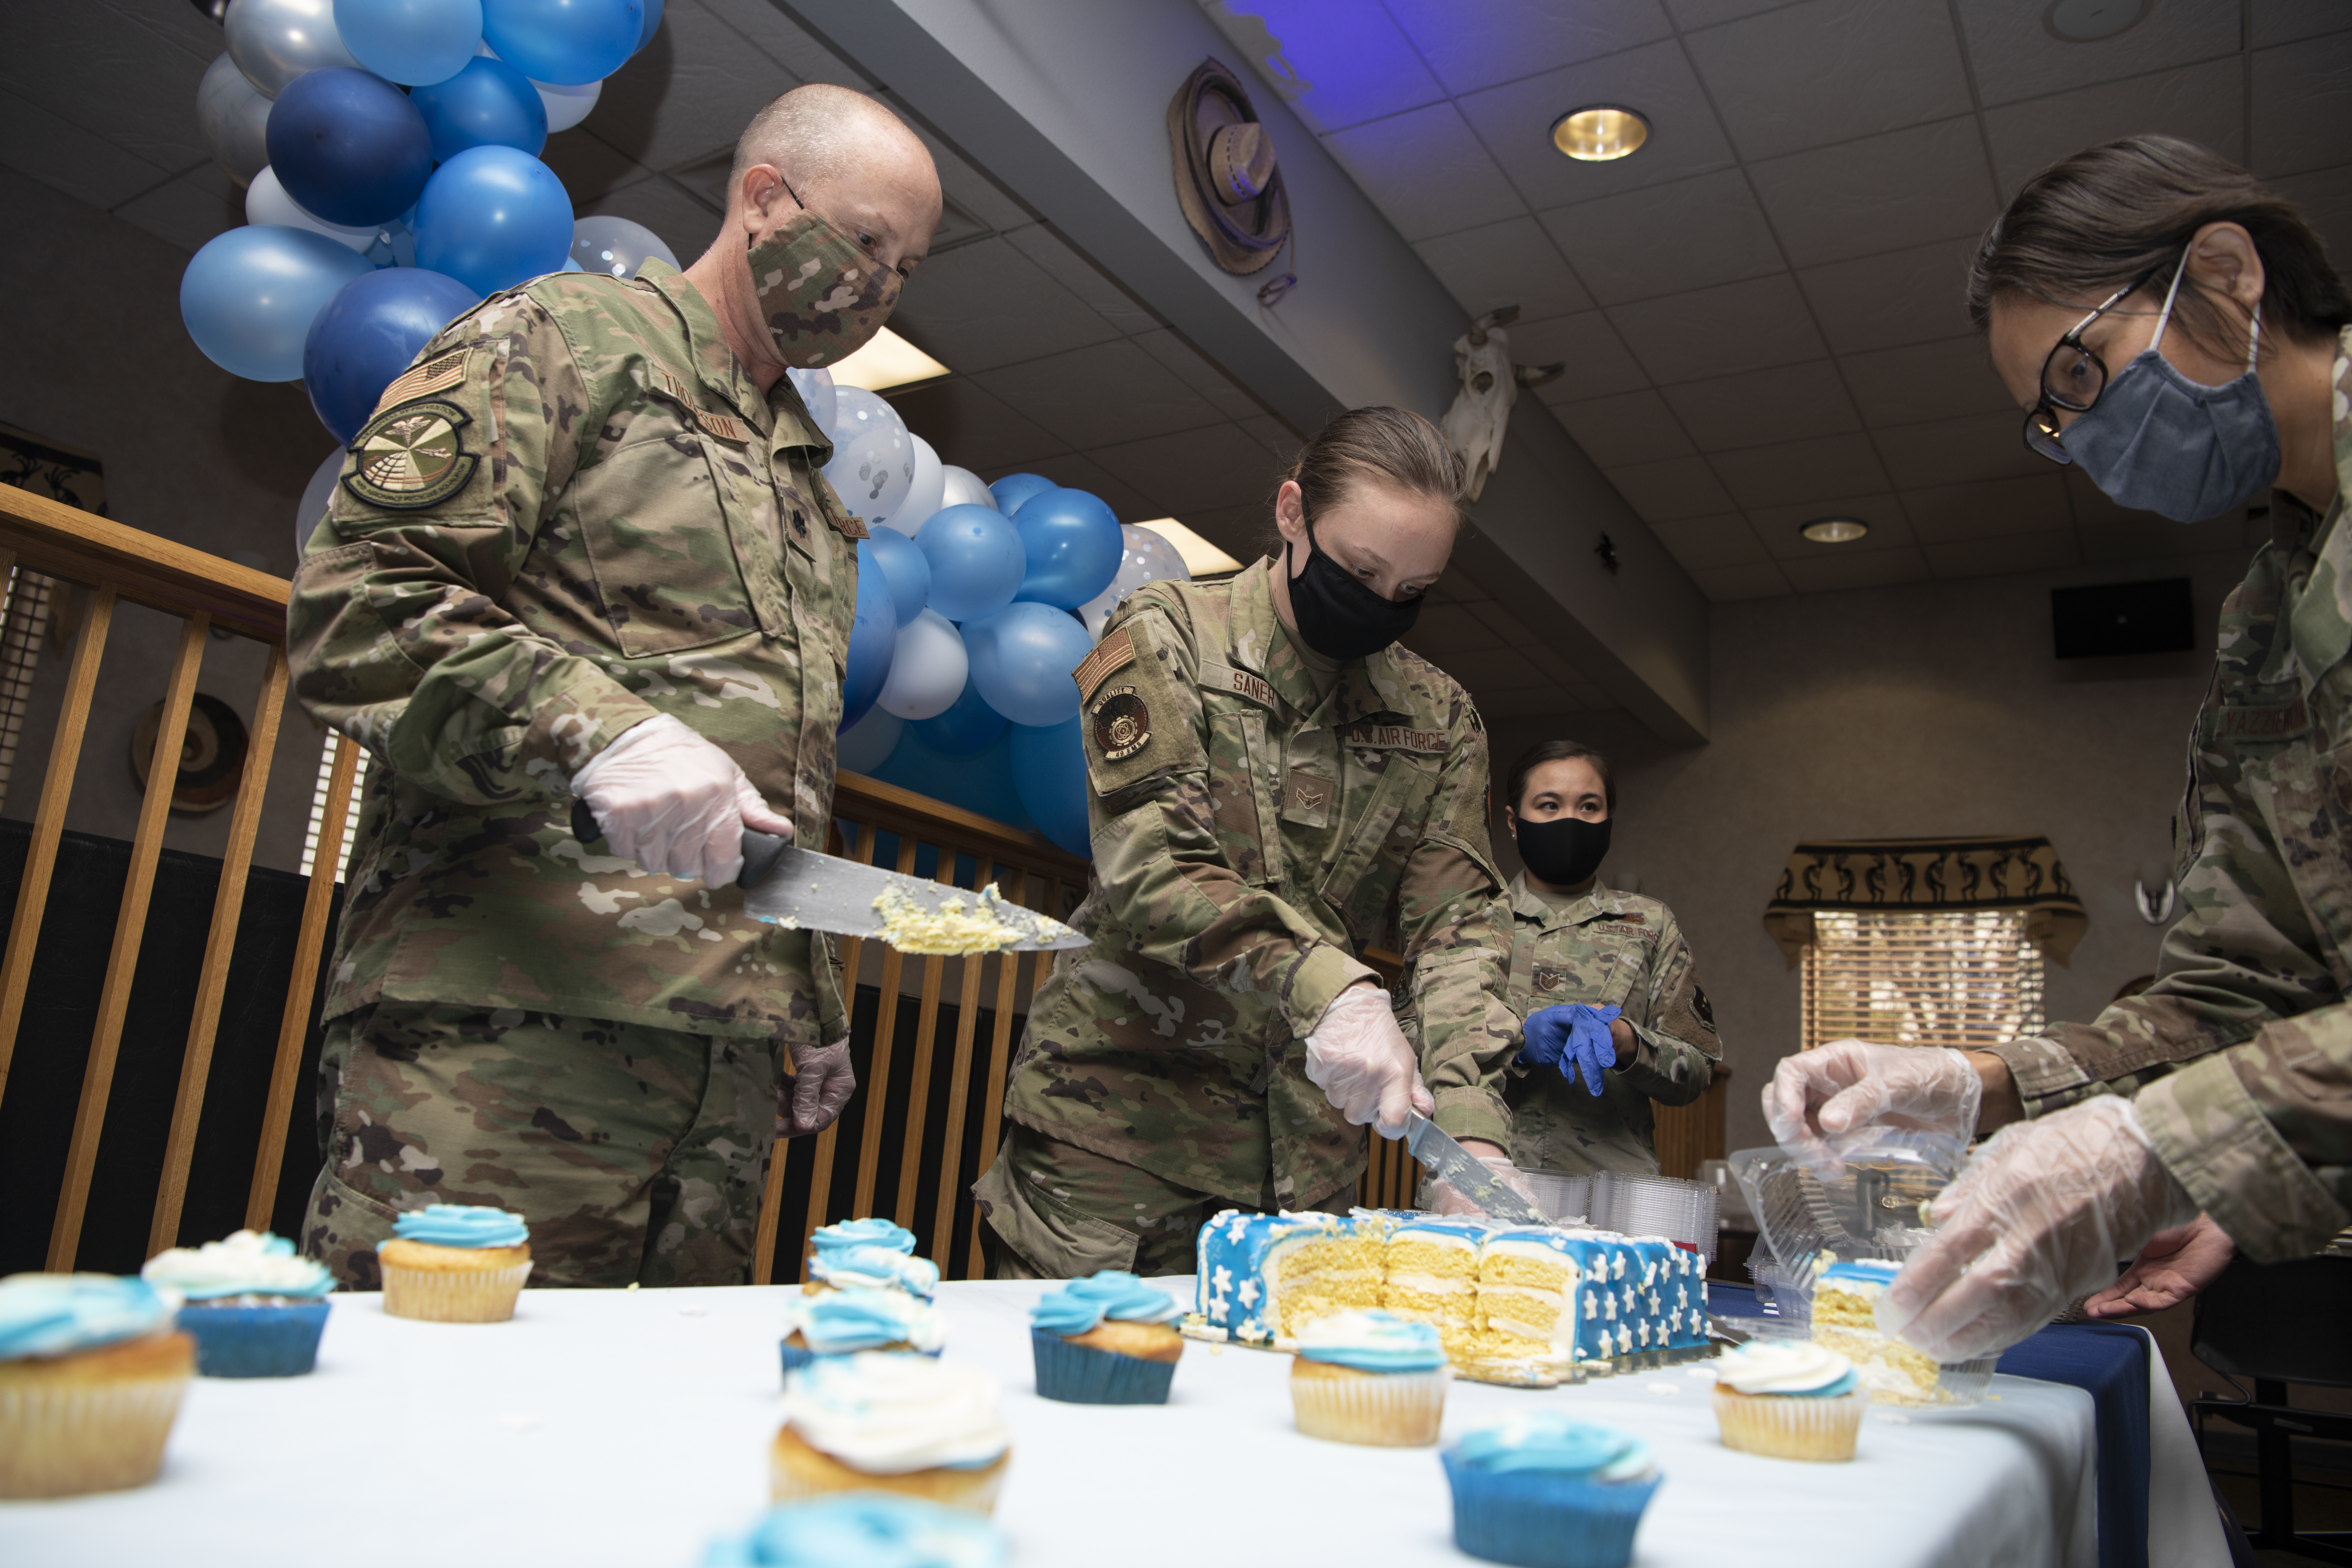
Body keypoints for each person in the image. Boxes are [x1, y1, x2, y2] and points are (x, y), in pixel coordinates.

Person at [287, 84, 943, 1290]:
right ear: (762, 201)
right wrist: (599, 732)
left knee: (654, 1455)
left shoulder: (809, 480)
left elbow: (773, 772)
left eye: (902, 269)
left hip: (718, 1082)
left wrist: (805, 996)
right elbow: (356, 600)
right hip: (502, 1040)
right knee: (434, 1430)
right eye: (863, 243)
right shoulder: (558, 340)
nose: (877, 288)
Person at [1764, 135, 2351, 1361]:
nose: (2079, 437)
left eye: (2080, 374)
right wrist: (1979, 1081)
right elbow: (2239, 999)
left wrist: (2159, 1144)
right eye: (2051, 415)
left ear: (2231, 274)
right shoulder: (2269, 621)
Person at [970, 406, 1520, 1277]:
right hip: (1117, 1149)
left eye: (1411, 593)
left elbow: (1459, 934)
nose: (1380, 605)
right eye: (1360, 570)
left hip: (1304, 1180)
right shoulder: (1168, 632)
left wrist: (1472, 1134)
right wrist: (1331, 989)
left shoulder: (1439, 717)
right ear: (1294, 512)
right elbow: (1153, 866)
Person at [1482, 739, 1717, 1185]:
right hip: (1485, 1183)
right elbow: (1410, 1043)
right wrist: (1514, 1042)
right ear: (1514, 822)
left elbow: (1698, 1072)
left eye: (1589, 807)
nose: (1570, 820)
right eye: (1549, 806)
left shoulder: (1651, 925)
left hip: (1611, 1193)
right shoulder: (1471, 918)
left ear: (1608, 820)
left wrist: (1629, 1043)